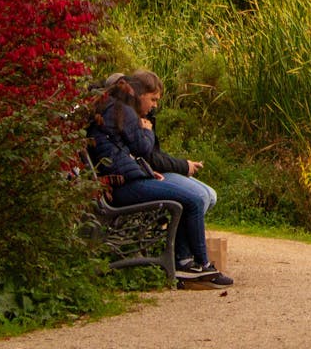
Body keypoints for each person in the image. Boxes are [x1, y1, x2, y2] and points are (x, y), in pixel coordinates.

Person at [87, 78, 233, 287]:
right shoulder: (124, 112)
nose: (155, 105)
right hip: (123, 187)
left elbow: (123, 155)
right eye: (153, 99)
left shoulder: (111, 109)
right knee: (193, 200)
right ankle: (199, 265)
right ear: (137, 94)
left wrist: (145, 172)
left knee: (190, 199)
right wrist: (146, 130)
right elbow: (143, 149)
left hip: (122, 183)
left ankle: (186, 263)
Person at [116, 70, 218, 217]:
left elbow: (154, 152)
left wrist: (184, 164)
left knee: (211, 195)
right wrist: (183, 166)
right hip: (141, 176)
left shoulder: (144, 117)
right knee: (201, 196)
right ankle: (181, 238)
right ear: (140, 95)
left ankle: (180, 236)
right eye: (153, 100)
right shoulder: (129, 119)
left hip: (147, 171)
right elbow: (147, 156)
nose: (156, 105)